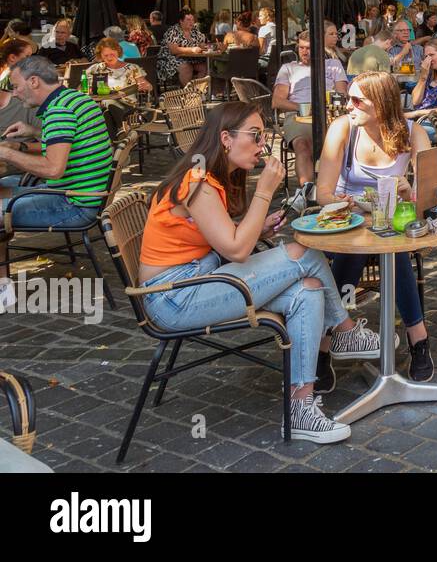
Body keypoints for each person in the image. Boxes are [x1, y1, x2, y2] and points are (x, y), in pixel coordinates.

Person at [137, 101, 379, 442]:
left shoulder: (208, 178)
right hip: (174, 298)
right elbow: (235, 249)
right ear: (225, 138)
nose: (262, 145)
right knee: (304, 251)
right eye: (254, 136)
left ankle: (300, 408)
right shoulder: (197, 183)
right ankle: (344, 329)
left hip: (199, 280)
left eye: (263, 136)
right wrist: (264, 191)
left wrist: (256, 229)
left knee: (308, 288)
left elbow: (228, 240)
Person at [314, 72, 437, 383]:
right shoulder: (343, 128)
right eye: (347, 99)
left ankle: (325, 343)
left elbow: (433, 194)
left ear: (382, 105)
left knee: (389, 243)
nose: (348, 106)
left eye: (357, 100)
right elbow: (322, 193)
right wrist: (345, 203)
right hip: (348, 217)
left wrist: (410, 191)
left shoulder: (414, 134)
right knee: (365, 243)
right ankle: (417, 337)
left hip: (392, 220)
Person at [0, 56, 114, 233]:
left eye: (16, 87)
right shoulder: (75, 98)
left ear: (34, 81)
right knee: (4, 188)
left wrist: (5, 153)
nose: (14, 93)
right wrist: (34, 132)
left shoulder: (58, 111)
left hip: (76, 205)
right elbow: (73, 139)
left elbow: (53, 170)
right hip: (89, 196)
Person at [273, 31, 349, 187]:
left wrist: (323, 108)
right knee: (302, 145)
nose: (304, 52)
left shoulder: (333, 65)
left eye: (308, 48)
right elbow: (277, 101)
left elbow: (341, 95)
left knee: (338, 145)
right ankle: (307, 192)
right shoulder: (288, 68)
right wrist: (305, 108)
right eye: (301, 48)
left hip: (329, 114)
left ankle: (332, 188)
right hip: (297, 116)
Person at [85, 37, 153, 135]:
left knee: (106, 109)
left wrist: (146, 86)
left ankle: (114, 143)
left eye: (112, 54)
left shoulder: (132, 68)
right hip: (102, 104)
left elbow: (149, 87)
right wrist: (90, 89)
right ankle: (123, 131)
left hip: (128, 106)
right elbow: (82, 87)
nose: (109, 58)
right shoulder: (95, 69)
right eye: (105, 55)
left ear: (118, 52)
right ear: (101, 56)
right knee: (106, 106)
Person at [159, 8, 210, 85]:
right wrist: (192, 49)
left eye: (192, 20)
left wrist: (209, 47)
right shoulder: (173, 31)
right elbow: (174, 50)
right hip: (171, 59)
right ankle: (187, 93)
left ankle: (198, 91)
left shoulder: (195, 30)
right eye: (188, 20)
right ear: (181, 21)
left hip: (190, 58)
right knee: (186, 67)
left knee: (205, 66)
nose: (191, 22)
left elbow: (202, 44)